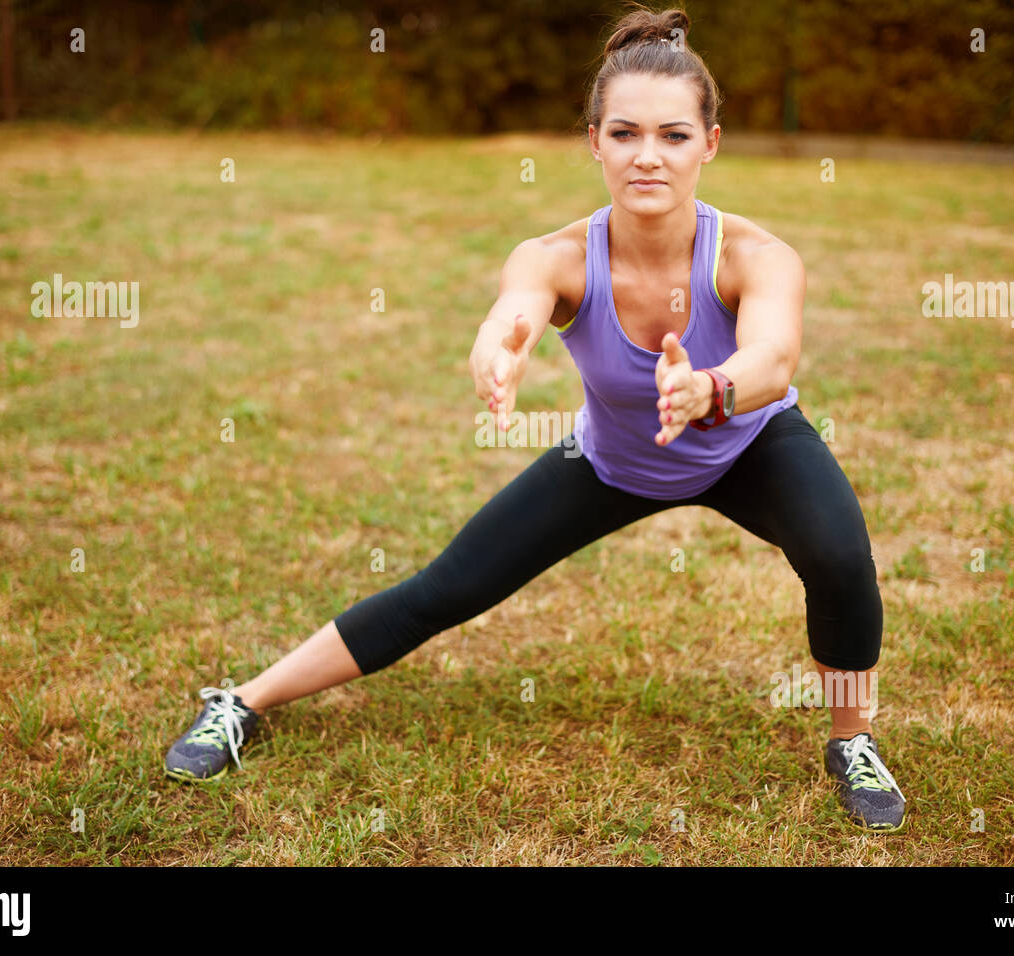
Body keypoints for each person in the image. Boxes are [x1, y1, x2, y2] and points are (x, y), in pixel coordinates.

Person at [164, 4, 906, 832]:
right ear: (594, 142)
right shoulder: (557, 256)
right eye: (624, 134)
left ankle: (852, 740)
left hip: (746, 444)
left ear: (711, 143)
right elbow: (514, 309)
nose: (647, 157)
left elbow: (773, 357)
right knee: (445, 589)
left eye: (672, 136)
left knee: (840, 554)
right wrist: (500, 348)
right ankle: (241, 702)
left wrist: (713, 392)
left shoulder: (755, 257)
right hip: (613, 462)